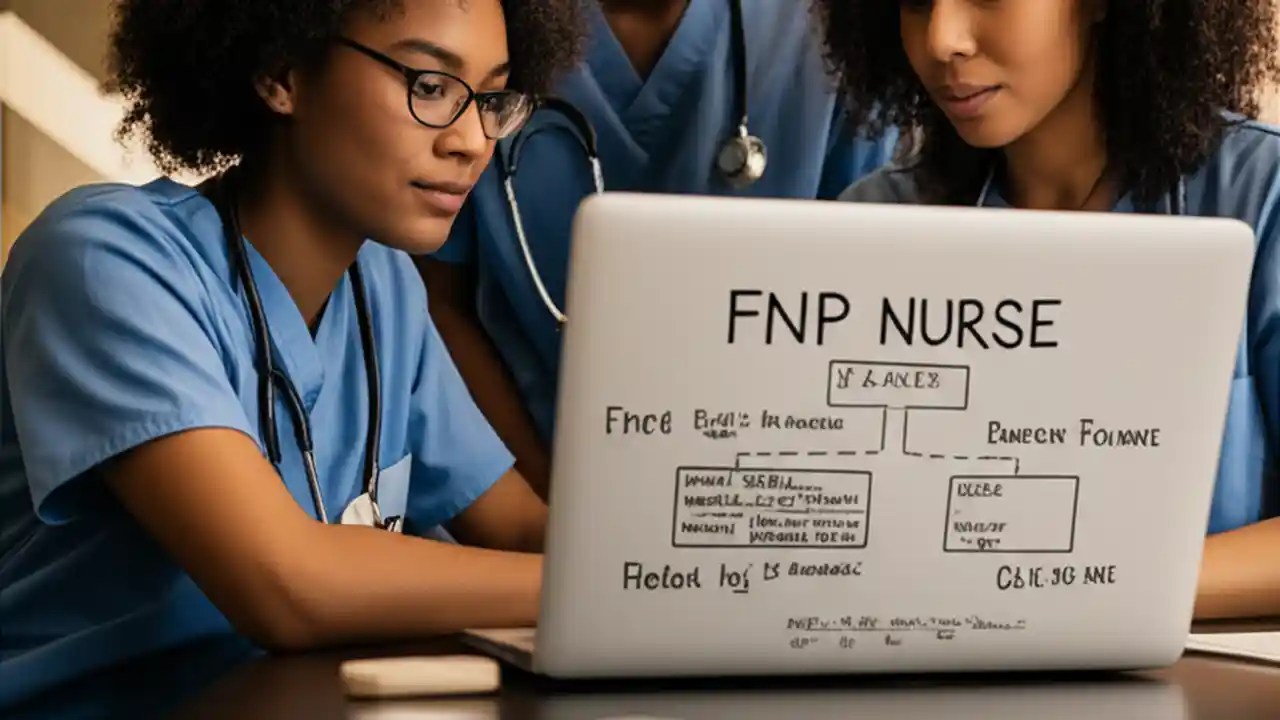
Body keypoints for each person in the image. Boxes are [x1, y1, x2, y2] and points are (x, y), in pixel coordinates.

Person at [0, 0, 585, 706]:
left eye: (492, 98)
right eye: (430, 87)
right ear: (282, 73)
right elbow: (287, 584)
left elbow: (517, 526)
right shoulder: (101, 260)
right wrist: (611, 588)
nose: (473, 141)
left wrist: (714, 568)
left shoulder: (383, 286)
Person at [810, 0, 1280, 618]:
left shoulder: (1260, 195)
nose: (942, 39)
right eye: (914, 2)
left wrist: (1073, 594)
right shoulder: (873, 225)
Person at [419, 0, 901, 499]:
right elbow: (436, 301)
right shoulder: (479, 19)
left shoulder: (830, 32)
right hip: (518, 477)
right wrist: (550, 501)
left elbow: (866, 316)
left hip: (769, 492)